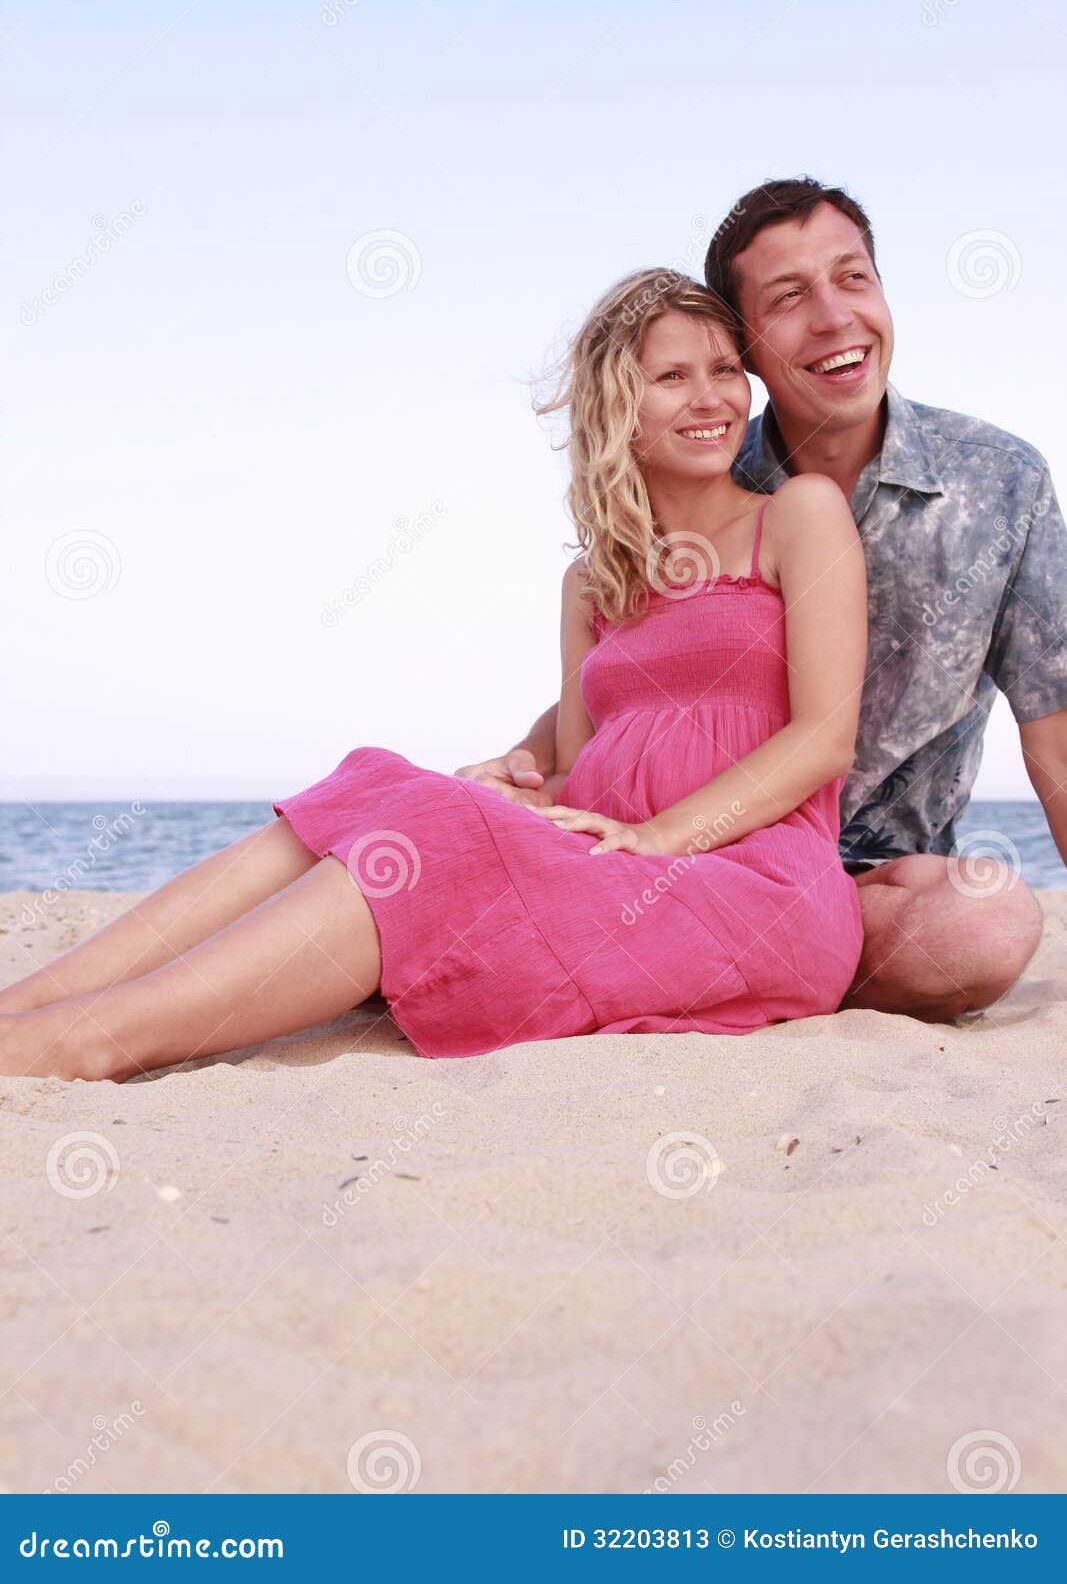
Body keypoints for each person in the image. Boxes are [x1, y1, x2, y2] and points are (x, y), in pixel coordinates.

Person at [0, 271, 866, 1082]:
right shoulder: (592, 583)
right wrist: (518, 780)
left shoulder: (796, 516)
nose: (712, 397)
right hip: (608, 862)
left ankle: (82, 1041)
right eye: (672, 376)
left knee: (429, 829)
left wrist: (666, 836)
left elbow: (825, 737)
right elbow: (576, 762)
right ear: (617, 407)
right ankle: (28, 1006)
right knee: (378, 782)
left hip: (753, 885)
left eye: (724, 370)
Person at [463, 179, 1066, 1023]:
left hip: (868, 878)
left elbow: (1057, 738)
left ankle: (737, 959)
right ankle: (708, 956)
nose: (833, 318)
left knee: (983, 922)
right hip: (683, 848)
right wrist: (525, 759)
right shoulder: (701, 469)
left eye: (853, 279)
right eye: (789, 298)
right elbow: (635, 668)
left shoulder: (999, 481)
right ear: (745, 343)